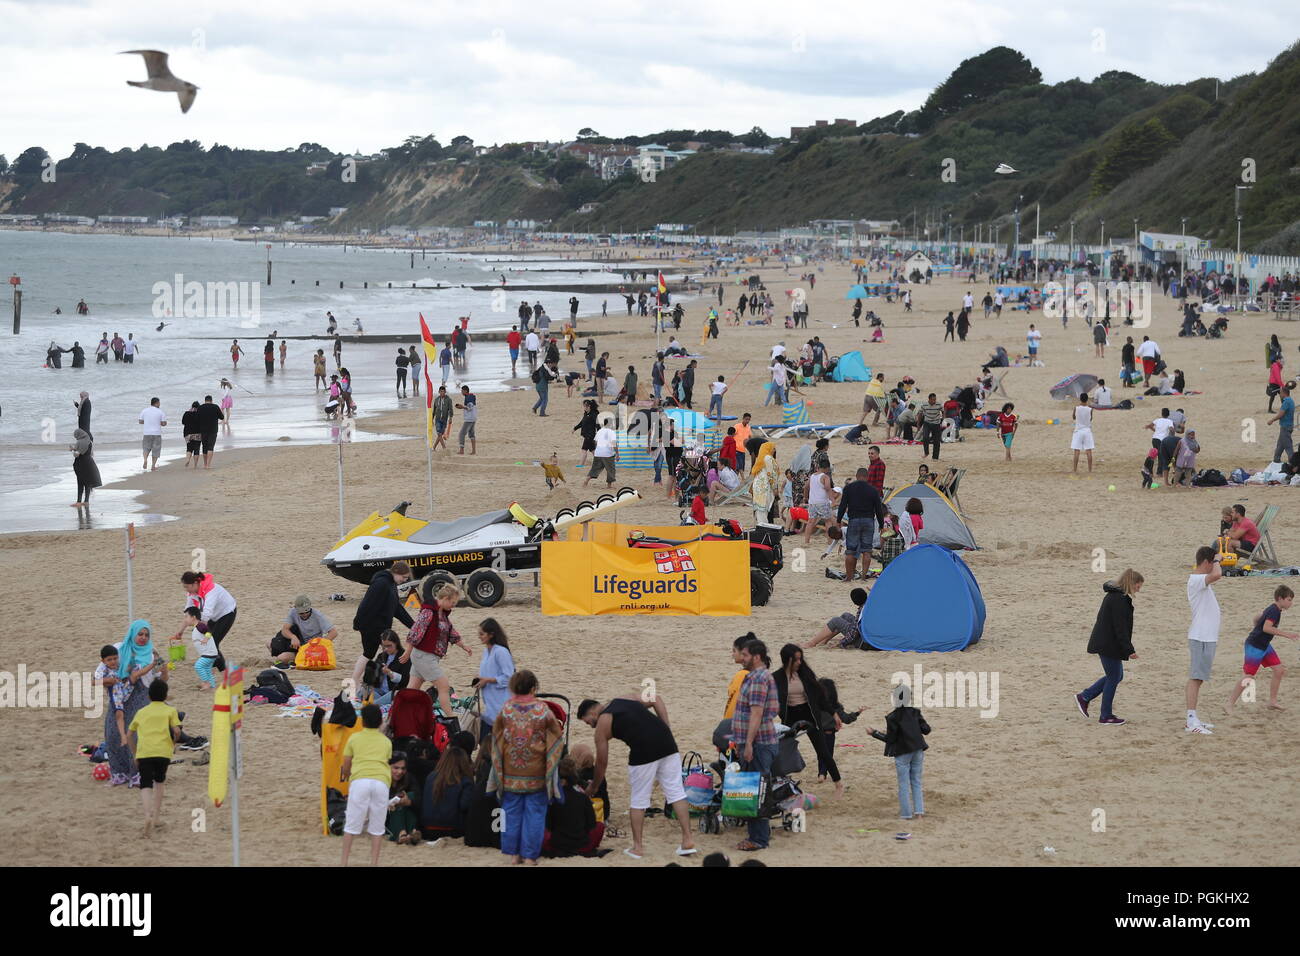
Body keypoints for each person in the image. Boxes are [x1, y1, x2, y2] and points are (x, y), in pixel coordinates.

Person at [579, 694, 697, 860]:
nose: (590, 726)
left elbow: (601, 762)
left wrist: (594, 786)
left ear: (591, 713)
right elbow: (656, 697)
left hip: (643, 751)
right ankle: (688, 840)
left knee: (638, 800)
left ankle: (638, 848)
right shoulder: (623, 698)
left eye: (587, 722)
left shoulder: (602, 724)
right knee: (676, 792)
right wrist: (666, 727)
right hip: (667, 743)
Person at [490, 670, 563, 865]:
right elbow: (556, 737)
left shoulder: (506, 709)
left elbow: (496, 738)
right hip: (536, 773)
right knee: (535, 815)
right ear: (533, 688)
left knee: (511, 813)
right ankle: (530, 856)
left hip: (511, 772)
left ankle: (514, 855)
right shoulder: (542, 709)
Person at [1074, 568, 1143, 726]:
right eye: (1138, 586)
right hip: (1107, 644)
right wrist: (1129, 650)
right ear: (1131, 583)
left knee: (1117, 676)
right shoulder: (1118, 599)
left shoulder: (1116, 596)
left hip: (1107, 642)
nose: (1138, 590)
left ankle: (1085, 696)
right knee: (1114, 677)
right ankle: (1105, 715)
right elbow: (1120, 628)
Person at [773, 645, 844, 796]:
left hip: (809, 714)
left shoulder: (805, 674)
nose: (799, 662)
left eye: (801, 658)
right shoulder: (777, 677)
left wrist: (834, 714)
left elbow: (820, 698)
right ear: (787, 660)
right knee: (782, 747)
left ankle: (838, 784)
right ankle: (780, 781)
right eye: (796, 659)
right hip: (790, 716)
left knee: (823, 751)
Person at [730, 638, 779, 852]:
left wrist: (748, 743)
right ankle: (758, 834)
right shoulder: (756, 676)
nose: (742, 658)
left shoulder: (759, 678)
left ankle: (758, 839)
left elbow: (757, 713)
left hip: (758, 743)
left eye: (746, 655)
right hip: (756, 742)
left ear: (756, 657)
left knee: (755, 790)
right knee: (755, 788)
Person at [403, 579, 470, 718]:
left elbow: (450, 631)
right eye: (452, 603)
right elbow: (416, 631)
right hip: (424, 656)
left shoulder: (442, 613)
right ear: (445, 599)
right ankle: (451, 717)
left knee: (411, 690)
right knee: (444, 686)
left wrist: (463, 646)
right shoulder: (428, 612)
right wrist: (408, 651)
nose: (453, 606)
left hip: (424, 656)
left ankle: (398, 713)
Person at [1229, 585, 1298, 712]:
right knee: (1248, 676)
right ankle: (1230, 704)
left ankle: (1272, 702)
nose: (1291, 603)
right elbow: (1267, 628)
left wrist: (1257, 626)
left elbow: (1257, 617)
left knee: (1279, 670)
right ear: (1280, 598)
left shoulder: (1273, 608)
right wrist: (1287, 634)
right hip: (1255, 646)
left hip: (1264, 645)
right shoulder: (1274, 611)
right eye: (1289, 600)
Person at [867, 682, 931, 820]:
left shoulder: (892, 717)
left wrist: (874, 733)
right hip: (918, 749)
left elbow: (890, 739)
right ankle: (919, 813)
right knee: (916, 781)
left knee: (903, 784)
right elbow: (927, 730)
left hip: (902, 752)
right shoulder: (915, 712)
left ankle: (906, 814)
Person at [340, 704, 392, 866]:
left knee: (351, 825)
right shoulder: (386, 741)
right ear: (380, 722)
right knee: (377, 828)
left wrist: (347, 775)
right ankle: (374, 863)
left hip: (360, 780)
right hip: (381, 782)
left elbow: (346, 764)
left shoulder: (354, 738)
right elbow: (386, 761)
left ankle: (344, 862)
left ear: (362, 721)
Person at [127, 679, 181, 835]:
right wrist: (173, 743)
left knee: (145, 784)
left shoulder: (141, 712)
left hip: (144, 752)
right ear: (165, 696)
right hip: (163, 752)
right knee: (159, 782)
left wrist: (134, 753)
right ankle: (156, 817)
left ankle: (147, 815)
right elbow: (177, 731)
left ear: (149, 696)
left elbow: (130, 734)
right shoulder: (170, 711)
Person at [1185, 546, 1221, 734]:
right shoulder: (1196, 579)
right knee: (1196, 677)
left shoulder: (1200, 581)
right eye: (1212, 563)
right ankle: (1191, 720)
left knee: (1199, 678)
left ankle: (1193, 717)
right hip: (1200, 636)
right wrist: (1218, 560)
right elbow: (1217, 575)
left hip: (1206, 637)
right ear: (1207, 562)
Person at [543, 757, 605, 857]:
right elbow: (591, 825)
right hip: (580, 844)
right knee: (600, 826)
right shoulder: (583, 797)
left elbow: (549, 826)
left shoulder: (553, 799)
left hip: (557, 844)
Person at [834, 466, 887, 582]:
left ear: (857, 476)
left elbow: (842, 506)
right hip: (868, 521)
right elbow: (878, 509)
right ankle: (863, 577)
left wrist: (838, 521)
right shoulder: (873, 490)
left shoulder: (848, 488)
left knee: (850, 550)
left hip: (854, 520)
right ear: (867, 477)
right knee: (867, 550)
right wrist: (882, 526)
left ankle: (849, 577)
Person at [354, 560, 414, 660]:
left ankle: (386, 674)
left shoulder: (392, 584)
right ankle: (357, 676)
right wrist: (358, 623)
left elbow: (397, 609)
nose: (404, 580)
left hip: (382, 627)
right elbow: (367, 605)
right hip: (370, 626)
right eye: (404, 577)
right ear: (396, 572)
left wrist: (413, 625)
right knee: (369, 654)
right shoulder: (381, 583)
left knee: (387, 652)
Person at [421, 745, 474, 840]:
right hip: (452, 829)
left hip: (429, 828)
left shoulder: (431, 777)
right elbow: (465, 805)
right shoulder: (464, 781)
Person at [474, 618, 515, 740]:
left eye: (482, 634)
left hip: (501, 703)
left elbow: (509, 677)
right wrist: (481, 680)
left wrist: (488, 680)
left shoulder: (501, 652)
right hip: (490, 703)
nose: (479, 637)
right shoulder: (486, 651)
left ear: (491, 635)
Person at [270, 595, 337, 667]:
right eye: (301, 613)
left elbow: (333, 632)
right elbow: (285, 629)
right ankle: (292, 658)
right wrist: (293, 637)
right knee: (269, 644)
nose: (305, 614)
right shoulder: (293, 612)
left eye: (307, 612)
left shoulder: (318, 615)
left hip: (310, 647)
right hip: (297, 642)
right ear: (295, 609)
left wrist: (319, 644)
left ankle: (296, 658)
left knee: (282, 658)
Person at [804, 588, 869, 648]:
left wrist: (840, 644)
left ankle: (812, 643)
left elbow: (853, 635)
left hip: (862, 641)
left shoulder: (862, 611)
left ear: (854, 603)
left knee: (835, 621)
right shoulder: (870, 605)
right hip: (868, 637)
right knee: (845, 615)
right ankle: (824, 640)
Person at [385, 753, 421, 845]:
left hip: (405, 814)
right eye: (396, 768)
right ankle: (405, 833)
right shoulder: (382, 780)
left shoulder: (409, 778)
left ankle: (409, 834)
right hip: (387, 817)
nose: (400, 772)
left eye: (403, 768)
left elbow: (419, 800)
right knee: (397, 803)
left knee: (411, 795)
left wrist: (408, 802)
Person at [70, 428, 101, 507]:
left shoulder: (79, 442)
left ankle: (78, 502)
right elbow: (90, 452)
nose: (76, 437)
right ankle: (86, 501)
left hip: (81, 464)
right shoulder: (89, 441)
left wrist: (72, 450)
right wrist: (75, 448)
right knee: (88, 482)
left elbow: (77, 454)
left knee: (80, 482)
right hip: (89, 463)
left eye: (76, 436)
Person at [584, 417, 618, 487]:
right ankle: (609, 485)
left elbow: (595, 442)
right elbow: (614, 443)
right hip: (608, 454)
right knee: (610, 469)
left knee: (595, 468)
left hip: (598, 453)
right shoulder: (611, 432)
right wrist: (617, 454)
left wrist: (598, 450)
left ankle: (586, 480)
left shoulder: (599, 431)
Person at [138, 397, 167, 471]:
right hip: (156, 433)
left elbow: (140, 421)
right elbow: (164, 423)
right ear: (156, 403)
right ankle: (153, 466)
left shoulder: (144, 410)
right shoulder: (160, 412)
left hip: (147, 433)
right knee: (156, 449)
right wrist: (161, 423)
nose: (160, 404)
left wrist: (147, 422)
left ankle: (145, 460)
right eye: (159, 403)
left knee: (146, 448)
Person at [1268, 384, 1294, 463]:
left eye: (1280, 393)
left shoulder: (1286, 402)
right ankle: (1276, 460)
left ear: (1284, 393)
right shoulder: (1291, 400)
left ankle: (1293, 463)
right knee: (1280, 445)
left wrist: (1272, 420)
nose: (1280, 394)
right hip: (1288, 426)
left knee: (1288, 446)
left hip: (1285, 426)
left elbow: (1281, 414)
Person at [196, 395, 224, 468]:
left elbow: (196, 419)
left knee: (204, 447)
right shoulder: (215, 407)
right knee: (210, 447)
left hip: (202, 430)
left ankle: (205, 464)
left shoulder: (200, 407)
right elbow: (222, 417)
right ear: (211, 400)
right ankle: (208, 465)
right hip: (213, 430)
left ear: (205, 400)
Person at [1071, 393, 1094, 473]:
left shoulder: (1076, 408)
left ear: (1080, 399)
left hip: (1078, 430)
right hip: (1087, 431)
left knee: (1077, 451)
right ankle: (1090, 470)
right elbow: (1090, 419)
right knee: (1089, 451)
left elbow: (1073, 417)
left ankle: (1075, 470)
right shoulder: (1090, 409)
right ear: (1087, 399)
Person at [573, 399, 598, 467]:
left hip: (590, 435)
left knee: (584, 450)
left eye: (586, 406)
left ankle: (581, 464)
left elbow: (598, 425)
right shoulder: (586, 413)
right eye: (584, 406)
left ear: (589, 406)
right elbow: (582, 422)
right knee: (593, 450)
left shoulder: (594, 414)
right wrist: (575, 428)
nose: (584, 408)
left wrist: (598, 436)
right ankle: (600, 463)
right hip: (587, 435)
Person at [919, 393, 944, 461]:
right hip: (927, 423)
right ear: (929, 399)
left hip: (936, 424)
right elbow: (920, 414)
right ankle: (926, 452)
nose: (934, 401)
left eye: (935, 399)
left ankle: (935, 457)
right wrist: (918, 424)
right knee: (925, 437)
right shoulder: (924, 405)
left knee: (936, 441)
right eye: (932, 400)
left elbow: (943, 411)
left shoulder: (939, 404)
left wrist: (943, 420)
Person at [456, 385, 478, 455]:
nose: (461, 392)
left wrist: (462, 407)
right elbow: (470, 407)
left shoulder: (469, 397)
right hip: (473, 418)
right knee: (471, 435)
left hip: (469, 419)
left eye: (462, 391)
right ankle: (474, 451)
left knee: (461, 434)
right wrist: (462, 407)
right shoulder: (471, 396)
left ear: (465, 391)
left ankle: (461, 450)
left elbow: (470, 407)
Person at [180, 401, 202, 468]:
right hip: (197, 434)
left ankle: (188, 459)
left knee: (189, 448)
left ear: (192, 406)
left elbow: (183, 422)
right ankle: (195, 465)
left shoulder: (186, 413)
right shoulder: (200, 414)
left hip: (187, 433)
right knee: (196, 449)